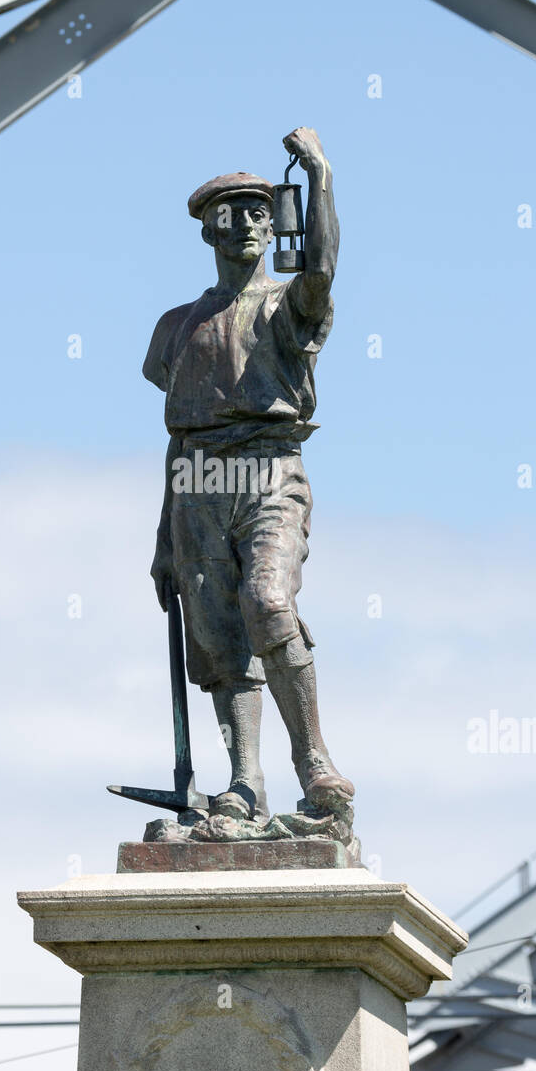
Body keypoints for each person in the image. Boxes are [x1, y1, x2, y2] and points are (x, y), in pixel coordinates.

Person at [143, 127, 354, 821]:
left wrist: (319, 176)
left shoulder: (285, 308)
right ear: (207, 231)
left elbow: (319, 270)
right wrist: (164, 538)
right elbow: (177, 439)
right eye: (228, 217)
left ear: (274, 224)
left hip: (269, 471)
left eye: (260, 214)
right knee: (218, 637)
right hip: (197, 485)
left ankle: (314, 761)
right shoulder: (177, 325)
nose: (244, 227)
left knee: (267, 602)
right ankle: (243, 782)